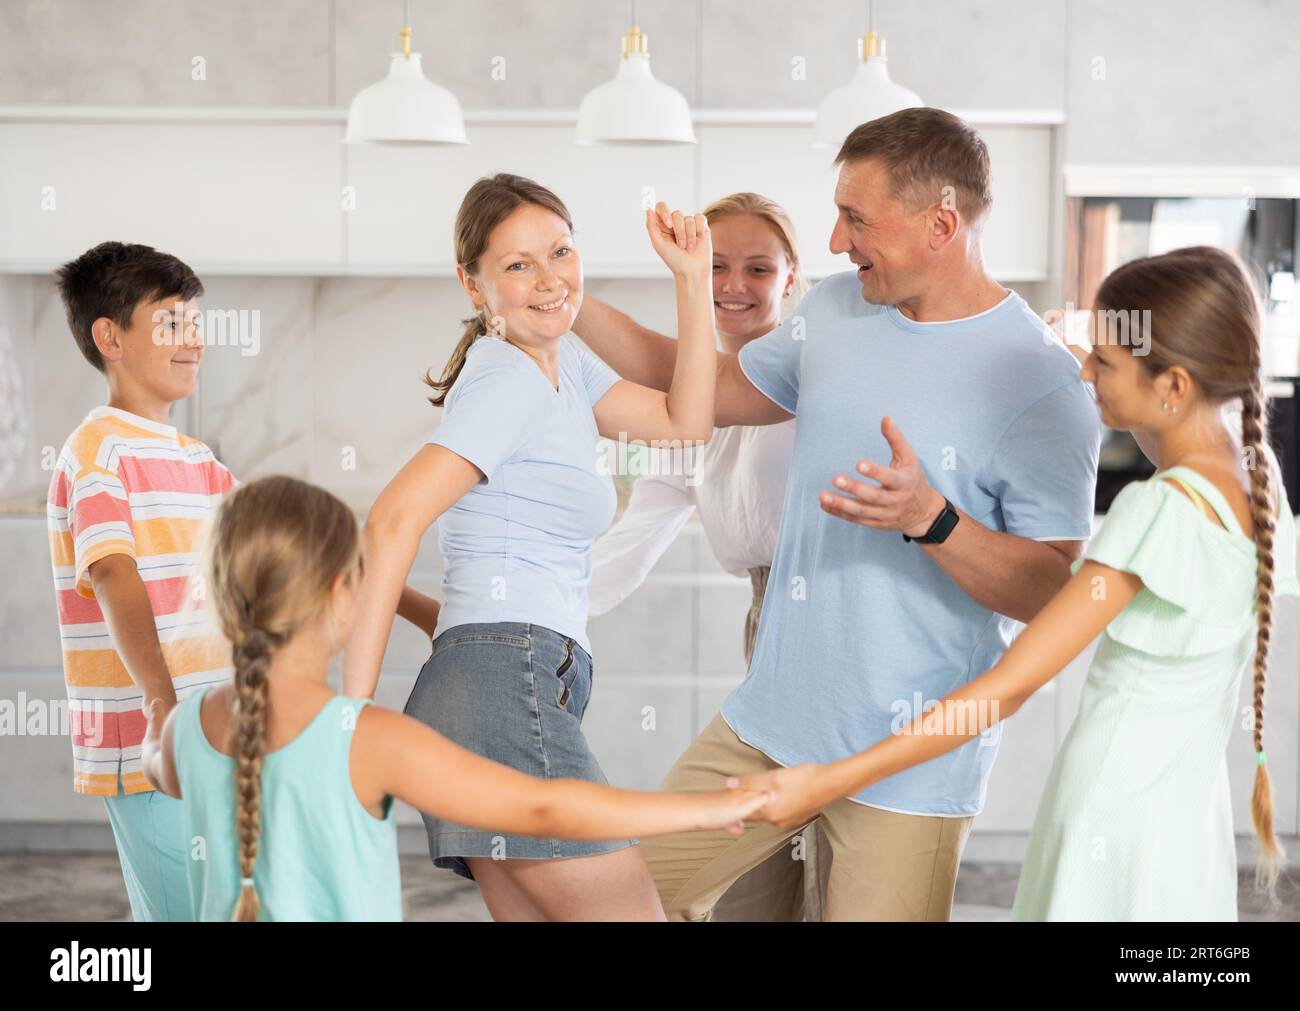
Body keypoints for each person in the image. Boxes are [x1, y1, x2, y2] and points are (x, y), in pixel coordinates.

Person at [567, 107, 1101, 920]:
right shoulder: (840, 309)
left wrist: (934, 519)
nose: (836, 241)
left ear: (941, 223)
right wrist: (566, 296)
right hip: (769, 721)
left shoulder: (1040, 380)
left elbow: (1053, 592)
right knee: (613, 899)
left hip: (906, 768)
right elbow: (705, 387)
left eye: (857, 218)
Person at [729, 245, 1300, 920]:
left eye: (1104, 363)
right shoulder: (1256, 484)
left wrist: (829, 779)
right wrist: (1105, 350)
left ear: (1174, 385)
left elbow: (1007, 687)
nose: (1082, 371)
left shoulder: (1154, 514)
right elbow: (1175, 435)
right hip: (1187, 812)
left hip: (1111, 808)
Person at [342, 173, 721, 920]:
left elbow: (687, 421)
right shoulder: (509, 380)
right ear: (473, 283)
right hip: (504, 683)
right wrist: (347, 724)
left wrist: (692, 278)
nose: (549, 280)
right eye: (518, 265)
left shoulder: (566, 364)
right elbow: (390, 521)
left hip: (483, 686)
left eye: (561, 252)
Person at [140, 475, 769, 921]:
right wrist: (703, 810)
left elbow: (159, 766)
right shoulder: (366, 739)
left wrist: (153, 717)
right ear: (344, 594)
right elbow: (545, 811)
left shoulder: (187, 730)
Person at [579, 191, 826, 920]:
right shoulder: (693, 412)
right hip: (766, 635)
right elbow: (623, 552)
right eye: (715, 266)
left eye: (759, 267)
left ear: (791, 276)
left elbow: (664, 366)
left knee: (819, 875)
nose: (734, 284)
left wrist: (567, 293)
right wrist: (520, 618)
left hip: (835, 628)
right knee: (752, 884)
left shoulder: (816, 371)